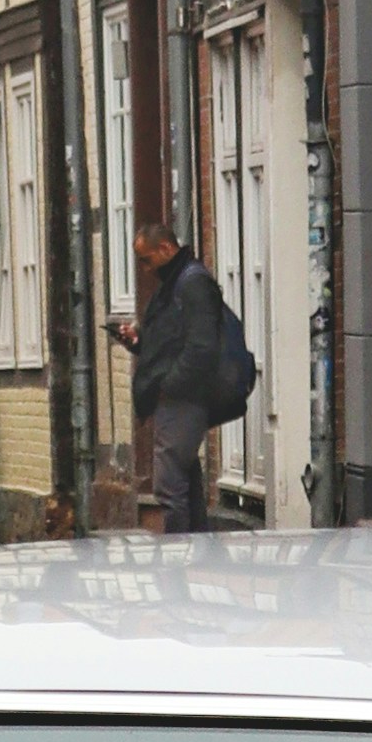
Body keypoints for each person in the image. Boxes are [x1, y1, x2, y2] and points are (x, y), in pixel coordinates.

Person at [112, 219, 249, 536]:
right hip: (181, 396)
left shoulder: (191, 283)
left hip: (184, 399)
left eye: (147, 259)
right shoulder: (176, 283)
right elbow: (171, 341)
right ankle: (198, 554)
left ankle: (177, 559)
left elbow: (201, 347)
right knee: (185, 480)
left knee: (169, 487)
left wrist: (168, 387)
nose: (145, 268)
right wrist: (139, 340)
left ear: (165, 248)